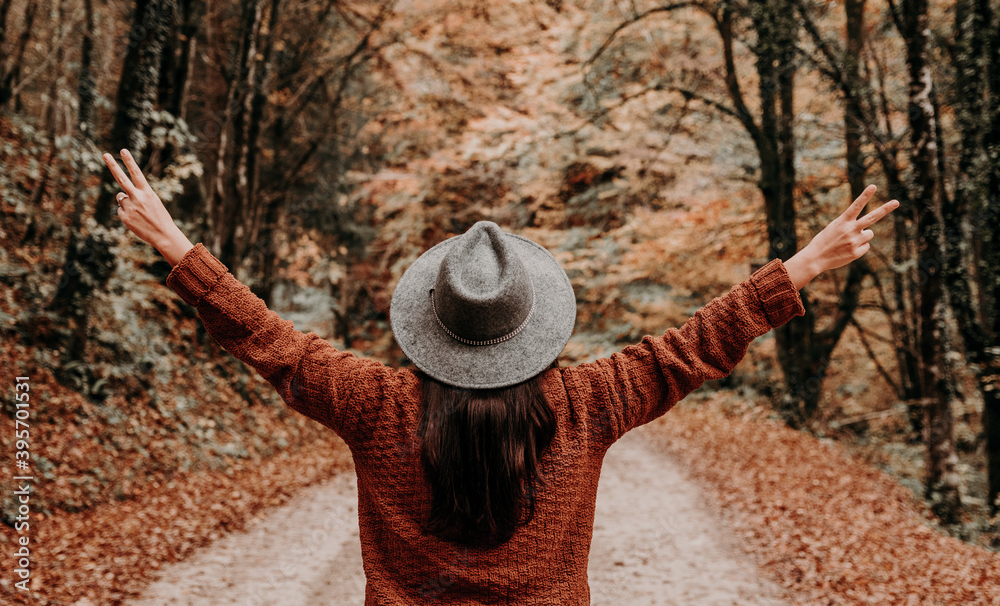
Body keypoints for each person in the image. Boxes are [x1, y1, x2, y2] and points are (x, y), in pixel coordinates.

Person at [103, 148, 899, 604]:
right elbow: (691, 346)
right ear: (534, 325)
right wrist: (798, 267)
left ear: (432, 322)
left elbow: (268, 338)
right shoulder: (589, 401)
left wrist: (179, 247)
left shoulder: (377, 403)